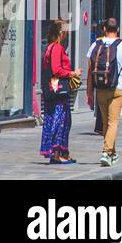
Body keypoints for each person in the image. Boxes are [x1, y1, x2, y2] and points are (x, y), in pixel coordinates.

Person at [85, 17, 122, 168]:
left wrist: (89, 91)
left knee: (106, 123)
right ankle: (106, 152)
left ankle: (112, 154)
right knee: (113, 122)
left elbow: (90, 71)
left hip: (100, 89)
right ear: (118, 30)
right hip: (117, 89)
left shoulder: (96, 44)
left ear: (104, 29)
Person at [39, 20, 79, 164]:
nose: (67, 34)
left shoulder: (49, 48)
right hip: (59, 91)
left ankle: (61, 153)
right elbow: (57, 70)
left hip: (52, 90)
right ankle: (57, 154)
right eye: (66, 31)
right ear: (61, 33)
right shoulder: (57, 48)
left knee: (56, 120)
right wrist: (72, 73)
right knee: (61, 121)